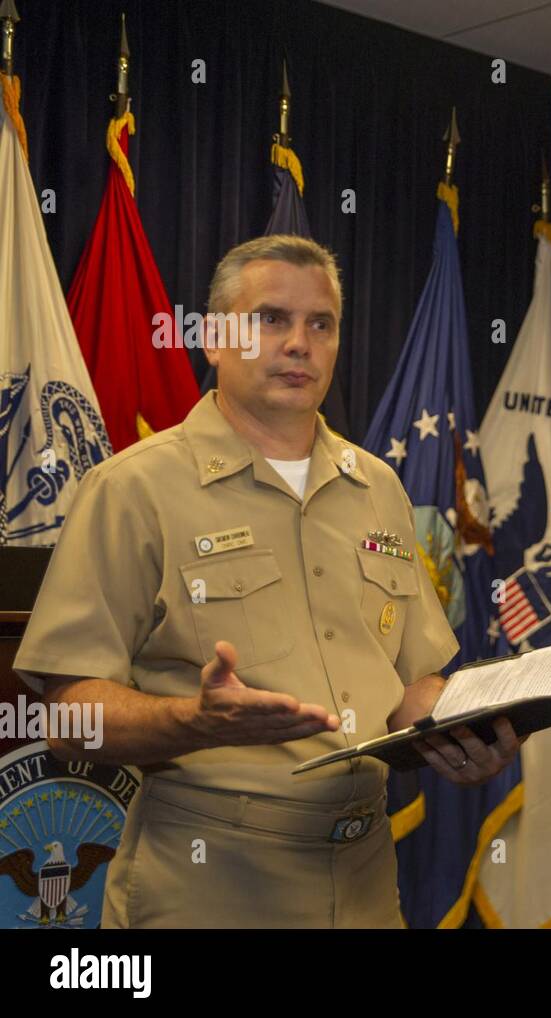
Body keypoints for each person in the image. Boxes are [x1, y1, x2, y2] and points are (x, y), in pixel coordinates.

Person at [15, 234, 521, 928]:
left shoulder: (378, 487)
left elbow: (408, 685)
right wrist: (193, 723)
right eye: (271, 319)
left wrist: (467, 728)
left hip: (368, 877)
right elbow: (66, 718)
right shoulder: (133, 489)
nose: (300, 344)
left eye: (321, 324)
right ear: (214, 339)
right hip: (212, 880)